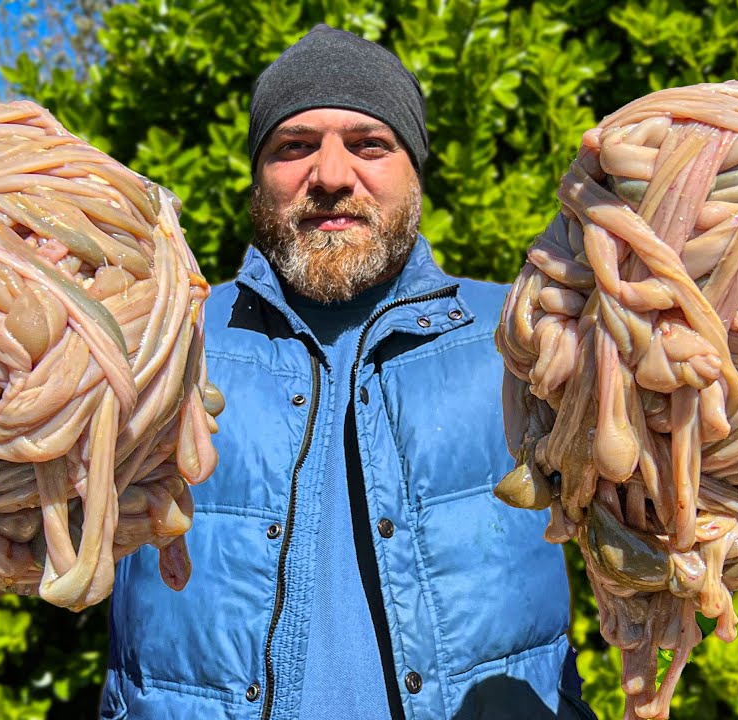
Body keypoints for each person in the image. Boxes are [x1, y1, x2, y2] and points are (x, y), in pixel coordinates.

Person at [102, 25, 595, 720]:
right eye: (294, 146)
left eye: (369, 144)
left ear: (415, 171)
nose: (331, 176)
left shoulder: (528, 335)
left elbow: (675, 496)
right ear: (257, 176)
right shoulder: (156, 342)